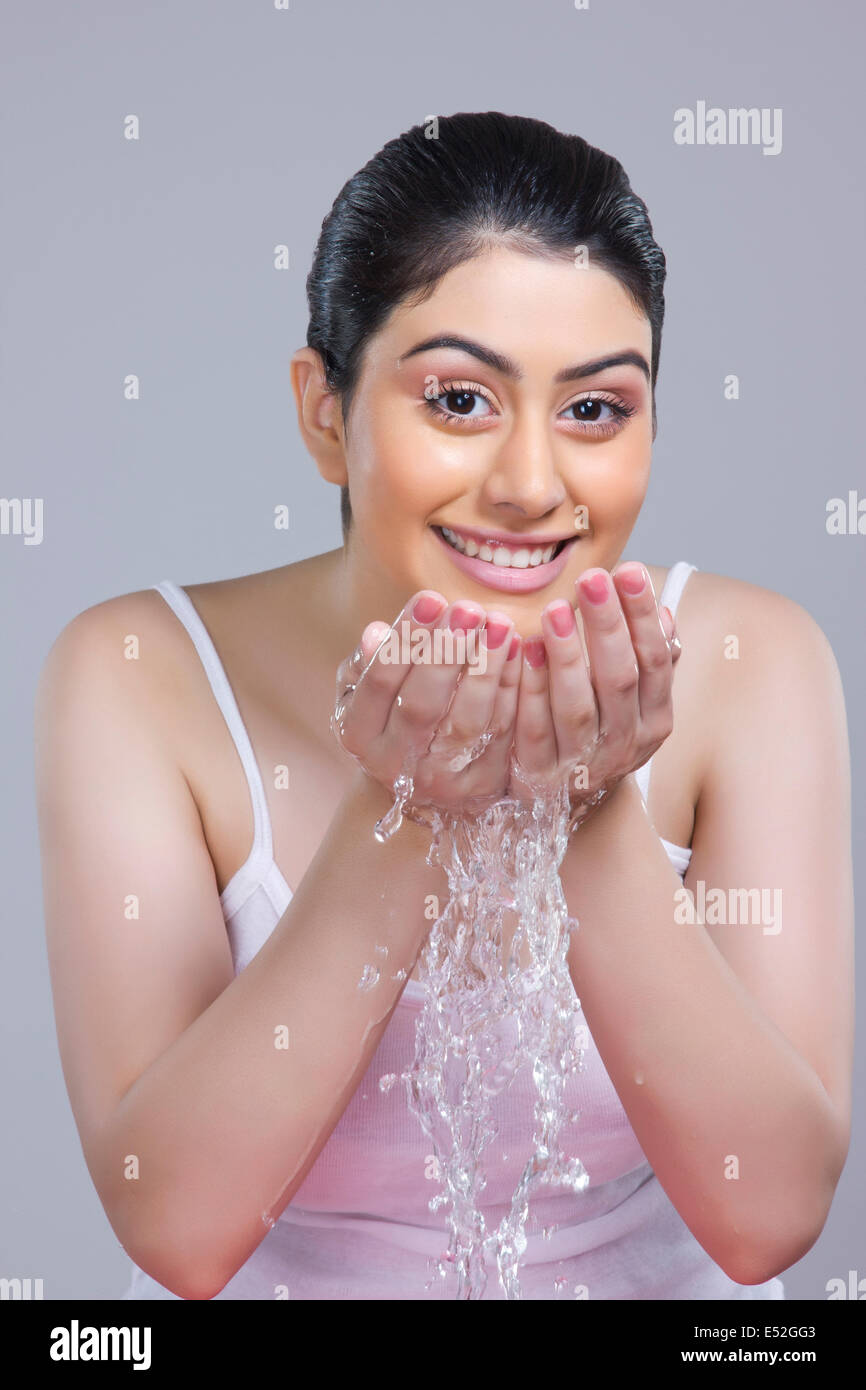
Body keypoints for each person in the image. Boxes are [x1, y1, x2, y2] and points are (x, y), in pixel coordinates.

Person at [34, 112, 852, 1301]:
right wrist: (407, 804)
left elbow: (767, 1215)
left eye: (592, 410)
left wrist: (586, 807)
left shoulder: (751, 661)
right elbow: (177, 1227)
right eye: (459, 400)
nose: (529, 486)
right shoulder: (135, 668)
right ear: (325, 413)